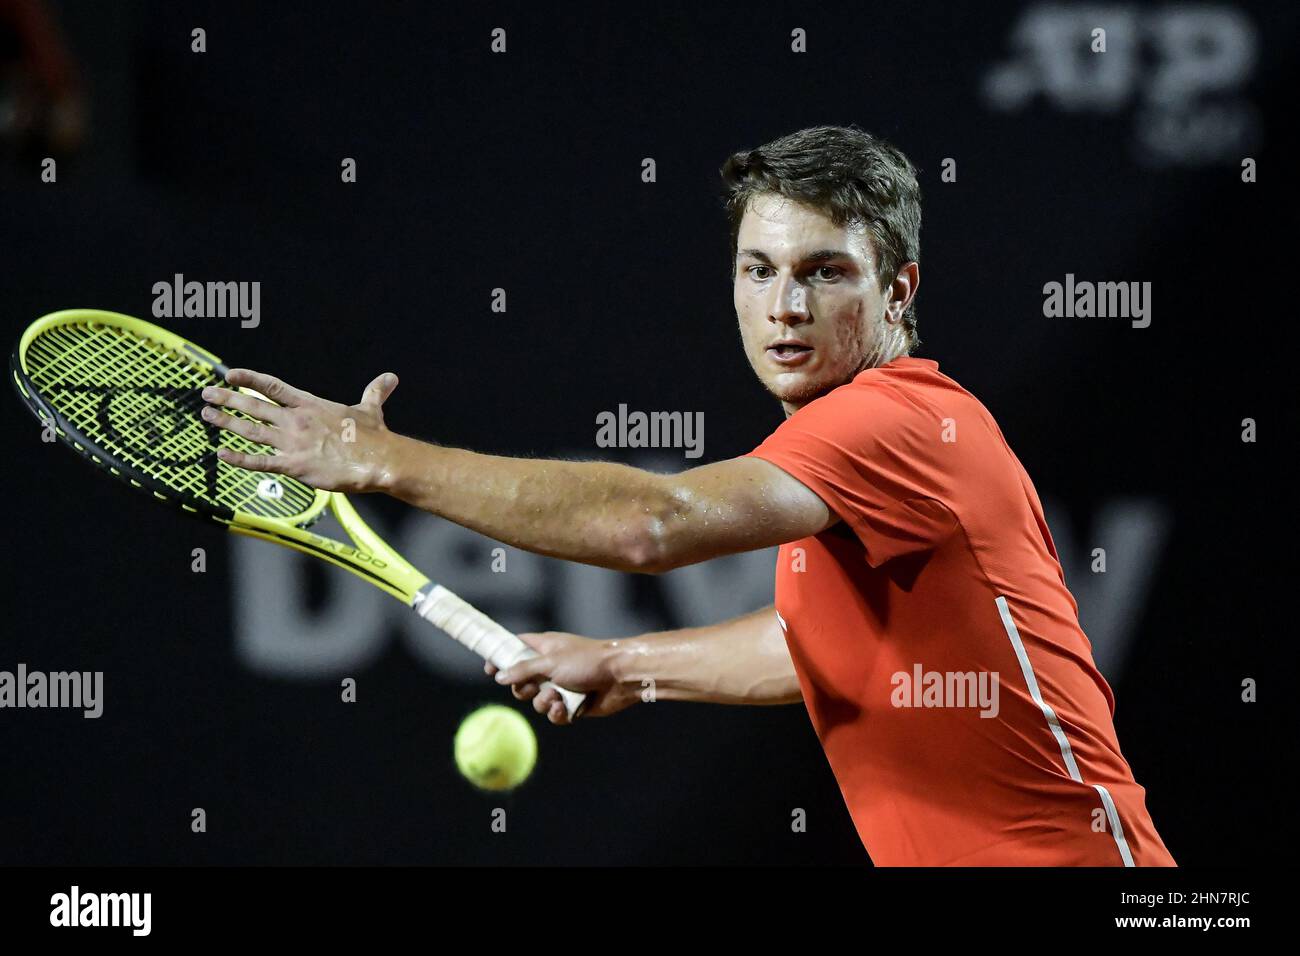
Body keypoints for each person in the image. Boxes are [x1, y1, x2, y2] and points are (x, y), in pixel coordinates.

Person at [200, 125, 1175, 866]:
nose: (783, 306)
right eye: (759, 270)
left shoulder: (895, 422)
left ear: (897, 290)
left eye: (824, 273)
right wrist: (628, 661)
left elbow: (648, 523)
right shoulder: (850, 448)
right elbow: (816, 644)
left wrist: (386, 461)